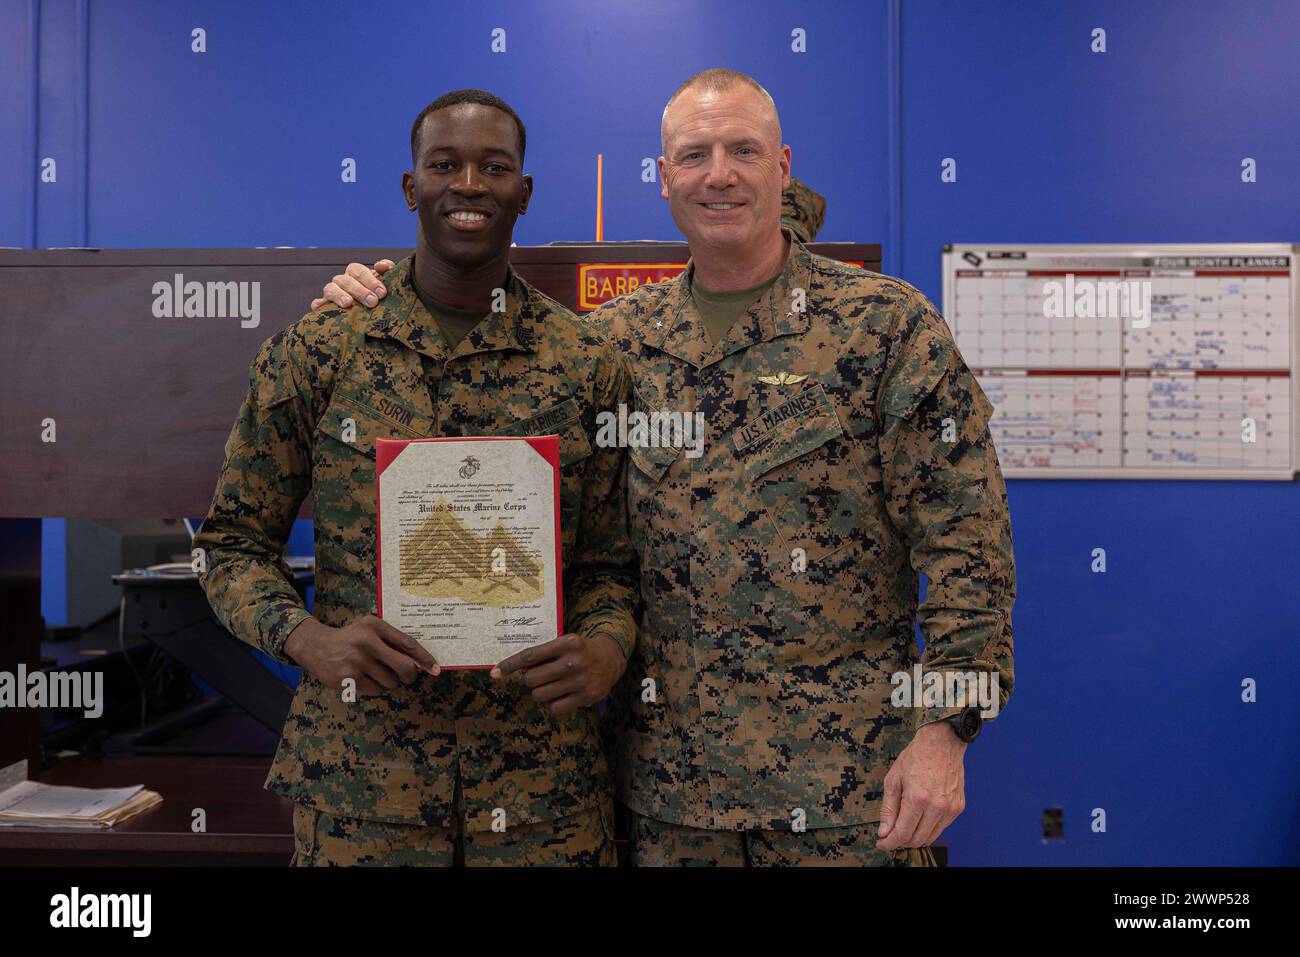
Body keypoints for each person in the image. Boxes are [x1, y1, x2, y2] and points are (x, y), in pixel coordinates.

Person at [314, 69, 1016, 867]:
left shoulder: (887, 329)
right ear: (663, 177)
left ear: (782, 165)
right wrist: (373, 301)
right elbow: (481, 431)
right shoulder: (610, 344)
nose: (719, 175)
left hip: (850, 795)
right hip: (669, 800)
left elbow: (969, 548)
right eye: (694, 155)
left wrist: (947, 730)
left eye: (742, 150)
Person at [194, 89, 638, 866]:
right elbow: (228, 546)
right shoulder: (321, 351)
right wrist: (310, 640)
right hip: (365, 790)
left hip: (542, 793)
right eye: (445, 165)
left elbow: (612, 563)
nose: (469, 184)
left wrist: (607, 646)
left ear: (524, 191)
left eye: (494, 167)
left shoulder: (586, 365)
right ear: (411, 186)